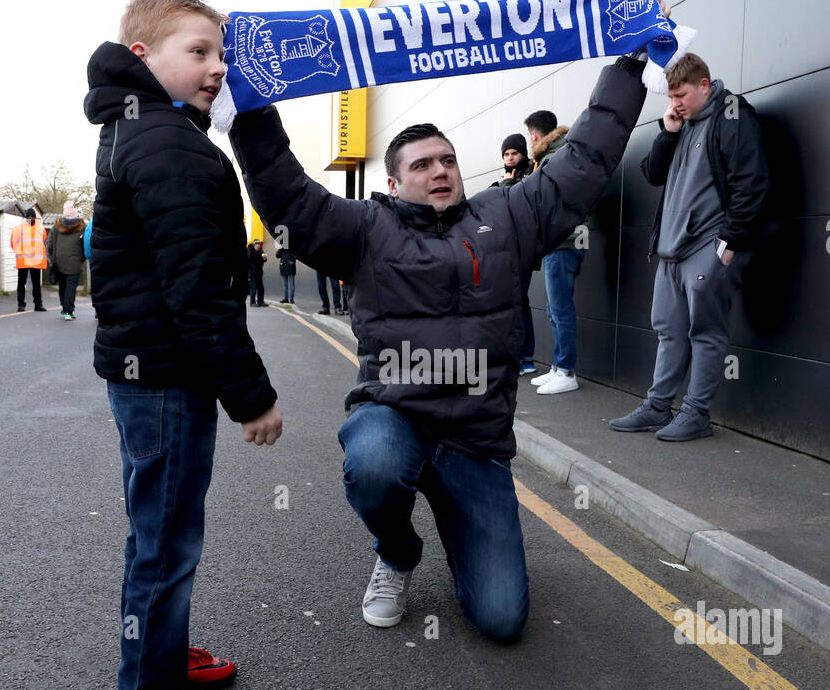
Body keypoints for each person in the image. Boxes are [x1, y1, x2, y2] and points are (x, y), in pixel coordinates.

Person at [230, 51, 649, 642]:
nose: (441, 171)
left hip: (475, 443)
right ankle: (398, 553)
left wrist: (628, 68)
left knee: (502, 619)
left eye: (448, 160)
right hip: (395, 417)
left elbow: (581, 164)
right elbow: (289, 198)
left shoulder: (508, 214)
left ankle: (467, 537)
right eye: (423, 164)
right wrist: (249, 109)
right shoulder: (364, 229)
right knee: (374, 463)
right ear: (394, 182)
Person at [84, 0, 282, 690]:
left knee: (163, 529)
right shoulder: (168, 142)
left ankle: (162, 652)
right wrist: (252, 392)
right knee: (165, 542)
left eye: (220, 55)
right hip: (166, 375)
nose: (216, 68)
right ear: (143, 57)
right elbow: (199, 286)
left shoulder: (144, 127)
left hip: (151, 372)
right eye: (198, 51)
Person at [610, 53, 769, 441]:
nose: (675, 103)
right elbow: (652, 174)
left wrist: (730, 243)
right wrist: (667, 132)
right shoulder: (682, 123)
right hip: (671, 249)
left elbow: (752, 182)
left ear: (704, 85)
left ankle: (696, 414)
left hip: (709, 245)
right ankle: (657, 406)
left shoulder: (733, 116)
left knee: (705, 332)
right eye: (670, 96)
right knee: (668, 330)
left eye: (681, 94)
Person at [523, 110, 585, 395]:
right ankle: (560, 367)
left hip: (563, 240)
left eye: (528, 136)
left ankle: (566, 370)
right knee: (554, 309)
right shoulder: (550, 156)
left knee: (561, 310)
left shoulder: (556, 155)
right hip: (555, 241)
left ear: (534, 135)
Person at [491, 133, 535, 374]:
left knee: (517, 302)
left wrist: (506, 185)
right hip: (511, 248)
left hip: (523, 248)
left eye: (514, 153)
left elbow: (515, 206)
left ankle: (522, 358)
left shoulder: (528, 175)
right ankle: (524, 358)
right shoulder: (507, 177)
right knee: (520, 302)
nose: (509, 158)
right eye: (506, 154)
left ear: (523, 154)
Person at [46, 201, 86, 319]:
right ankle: (68, 311)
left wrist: (53, 259)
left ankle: (64, 308)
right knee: (71, 287)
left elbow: (49, 244)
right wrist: (82, 258)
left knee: (62, 286)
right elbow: (85, 244)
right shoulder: (82, 227)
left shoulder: (56, 227)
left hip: (59, 261)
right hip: (75, 262)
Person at [10, 208, 48, 311]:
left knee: (35, 284)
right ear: (26, 217)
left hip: (34, 260)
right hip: (24, 260)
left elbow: (43, 242)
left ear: (35, 218)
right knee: (22, 283)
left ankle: (37, 304)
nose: (31, 219)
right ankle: (22, 304)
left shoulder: (40, 228)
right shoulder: (19, 228)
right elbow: (13, 243)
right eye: (29, 217)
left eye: (32, 217)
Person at [246, 238, 267, 306]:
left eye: (259, 244)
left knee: (261, 288)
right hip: (252, 273)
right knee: (253, 288)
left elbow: (262, 261)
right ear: (254, 245)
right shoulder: (250, 251)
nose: (258, 246)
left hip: (259, 273)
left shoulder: (261, 251)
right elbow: (251, 260)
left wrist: (264, 258)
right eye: (257, 244)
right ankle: (252, 302)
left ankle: (261, 301)